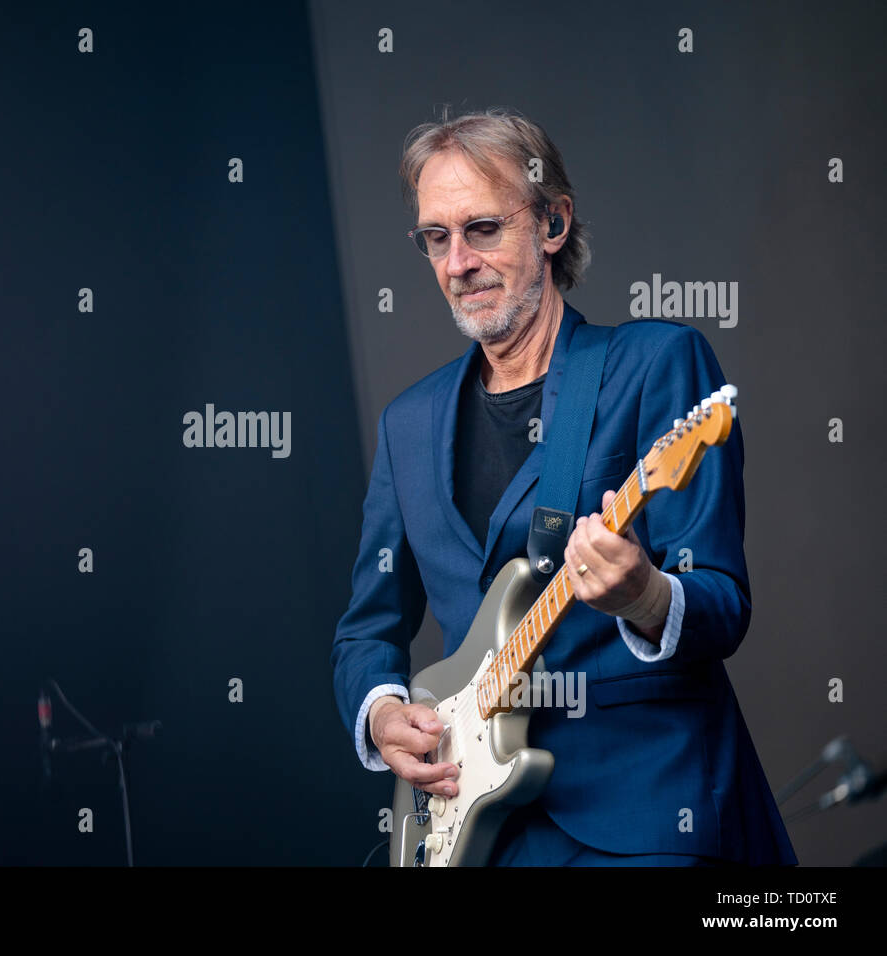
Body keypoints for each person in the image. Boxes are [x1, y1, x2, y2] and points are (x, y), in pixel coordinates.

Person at [330, 108, 796, 865]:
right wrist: (382, 711)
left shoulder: (656, 365)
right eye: (435, 238)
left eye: (483, 229)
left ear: (552, 222)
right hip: (482, 825)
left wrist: (645, 598)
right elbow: (366, 629)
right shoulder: (406, 424)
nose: (457, 264)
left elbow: (722, 601)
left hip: (646, 816)